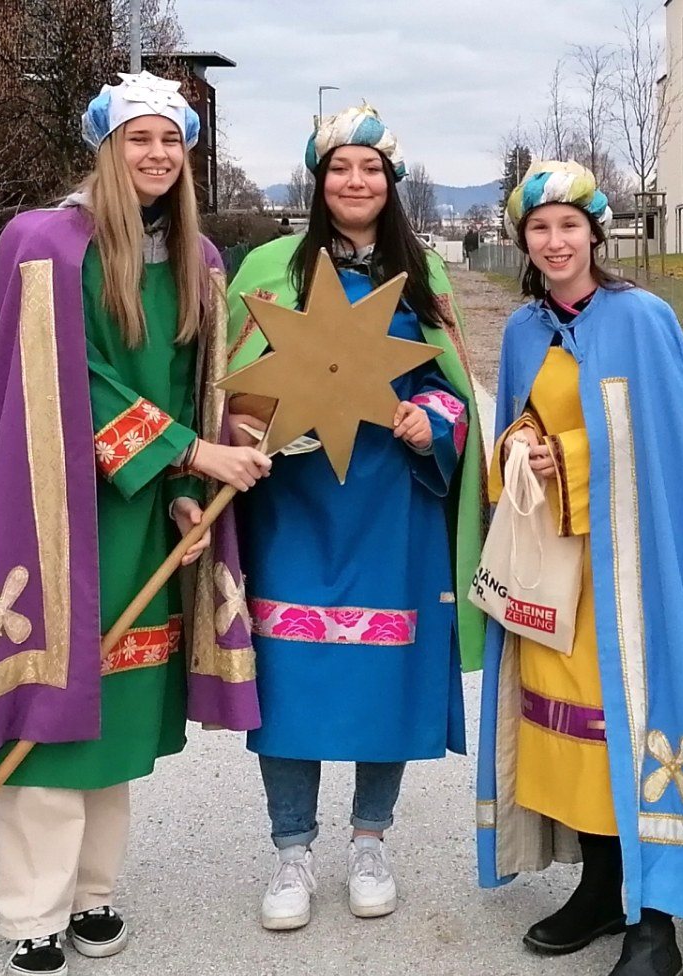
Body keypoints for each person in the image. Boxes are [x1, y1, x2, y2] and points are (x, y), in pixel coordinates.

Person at [0, 71, 271, 976]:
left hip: (140, 504)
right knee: (48, 709)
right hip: (49, 506)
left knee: (113, 707)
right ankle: (30, 915)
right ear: (106, 147)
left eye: (171, 140)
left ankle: (92, 890)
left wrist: (181, 492)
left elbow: (182, 384)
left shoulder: (198, 260)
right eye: (138, 139)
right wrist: (195, 455)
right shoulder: (43, 242)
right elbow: (66, 383)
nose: (157, 155)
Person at [475, 160, 683, 976]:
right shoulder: (523, 329)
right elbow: (515, 427)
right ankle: (601, 886)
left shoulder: (645, 319)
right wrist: (525, 449)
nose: (556, 243)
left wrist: (576, 461)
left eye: (570, 227)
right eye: (539, 230)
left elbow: (670, 454)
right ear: (522, 242)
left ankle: (656, 928)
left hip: (639, 577)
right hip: (560, 575)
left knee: (640, 725)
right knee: (577, 732)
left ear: (598, 233)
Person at [223, 104, 485, 930]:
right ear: (318, 179)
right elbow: (227, 382)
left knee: (383, 672)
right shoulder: (267, 267)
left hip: (389, 504)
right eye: (340, 168)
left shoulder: (425, 272)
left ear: (391, 181)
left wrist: (432, 421)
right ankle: (291, 851)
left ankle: (371, 839)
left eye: (370, 168)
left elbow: (451, 385)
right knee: (291, 673)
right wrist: (240, 429)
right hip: (293, 505)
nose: (355, 181)